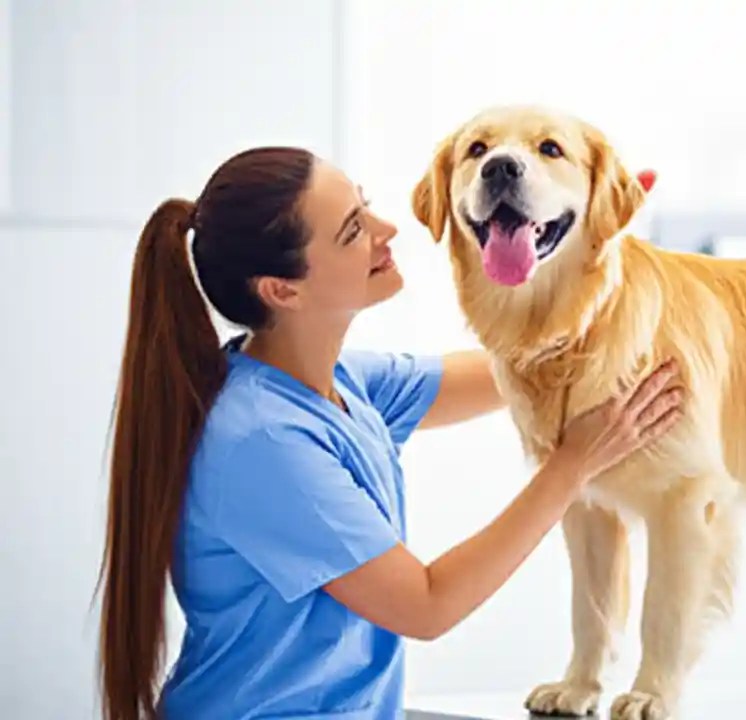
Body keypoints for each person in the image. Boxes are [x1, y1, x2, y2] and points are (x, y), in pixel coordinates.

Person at [95, 146, 685, 720]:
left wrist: (595, 254)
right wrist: (571, 467)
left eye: (366, 205)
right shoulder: (265, 442)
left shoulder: (341, 384)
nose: (388, 230)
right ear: (282, 289)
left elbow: (519, 367)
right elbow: (426, 605)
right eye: (353, 230)